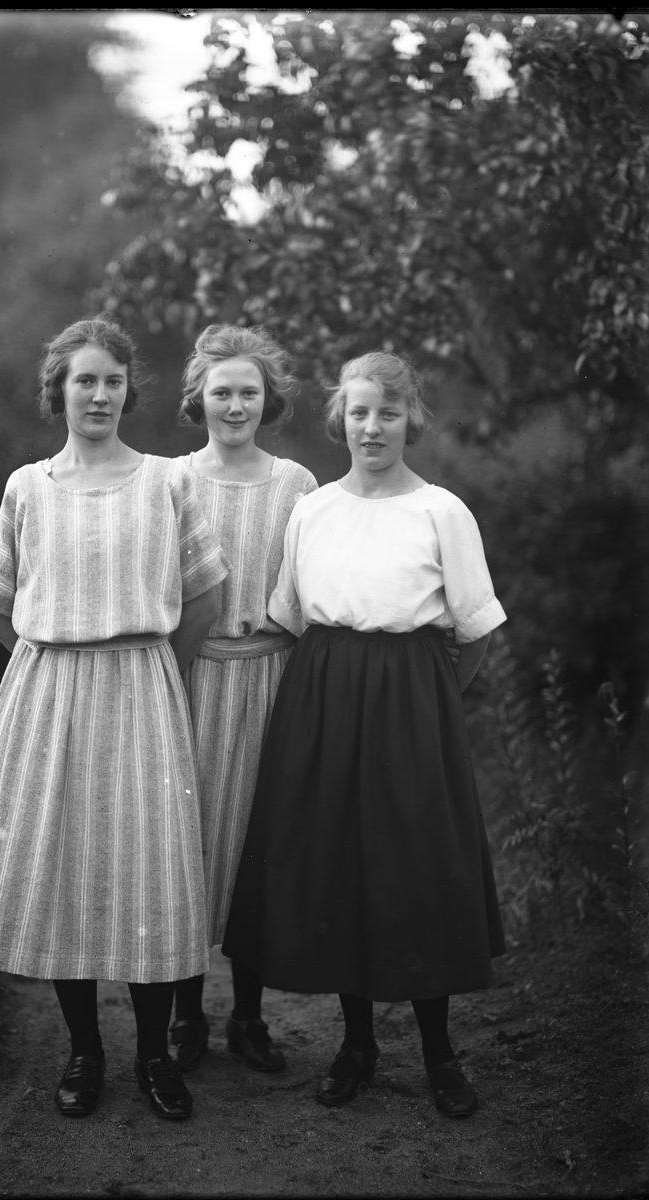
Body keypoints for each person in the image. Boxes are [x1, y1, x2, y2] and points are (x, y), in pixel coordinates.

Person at [0, 315, 228, 1122]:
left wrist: (153, 672)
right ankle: (85, 1053)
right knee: (65, 872)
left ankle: (153, 1057)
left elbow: (205, 599)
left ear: (127, 391)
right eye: (84, 380)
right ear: (59, 392)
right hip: (50, 695)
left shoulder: (166, 482)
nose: (100, 394)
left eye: (112, 379)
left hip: (142, 687)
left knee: (144, 870)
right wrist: (47, 670)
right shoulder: (27, 487)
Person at [222, 350, 507, 1118]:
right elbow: (286, 617)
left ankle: (440, 1054)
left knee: (414, 867)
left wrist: (430, 703)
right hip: (322, 697)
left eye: (386, 412)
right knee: (343, 867)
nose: (371, 427)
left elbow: (475, 630)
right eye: (358, 412)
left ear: (409, 418)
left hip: (412, 700)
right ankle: (357, 1047)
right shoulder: (313, 509)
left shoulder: (440, 511)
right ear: (338, 420)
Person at [169, 325, 318, 1075]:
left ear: (269, 401)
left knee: (260, 844)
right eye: (221, 391)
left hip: (269, 678)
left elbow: (311, 589)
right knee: (187, 841)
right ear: (198, 398)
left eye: (247, 392)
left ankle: (249, 1016)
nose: (234, 405)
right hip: (190, 678)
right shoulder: (168, 480)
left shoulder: (295, 485)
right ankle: (185, 1012)